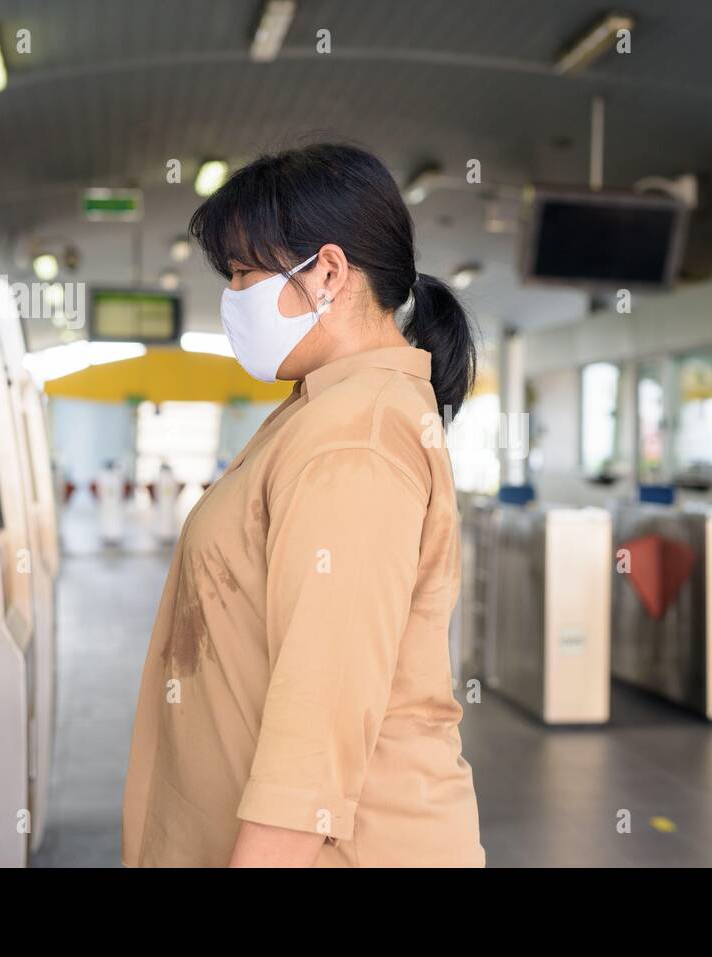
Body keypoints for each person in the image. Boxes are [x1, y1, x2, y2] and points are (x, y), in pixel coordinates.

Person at [122, 143, 484, 867]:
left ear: (328, 272)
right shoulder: (325, 407)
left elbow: (317, 727)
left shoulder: (355, 435)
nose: (232, 298)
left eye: (244, 274)